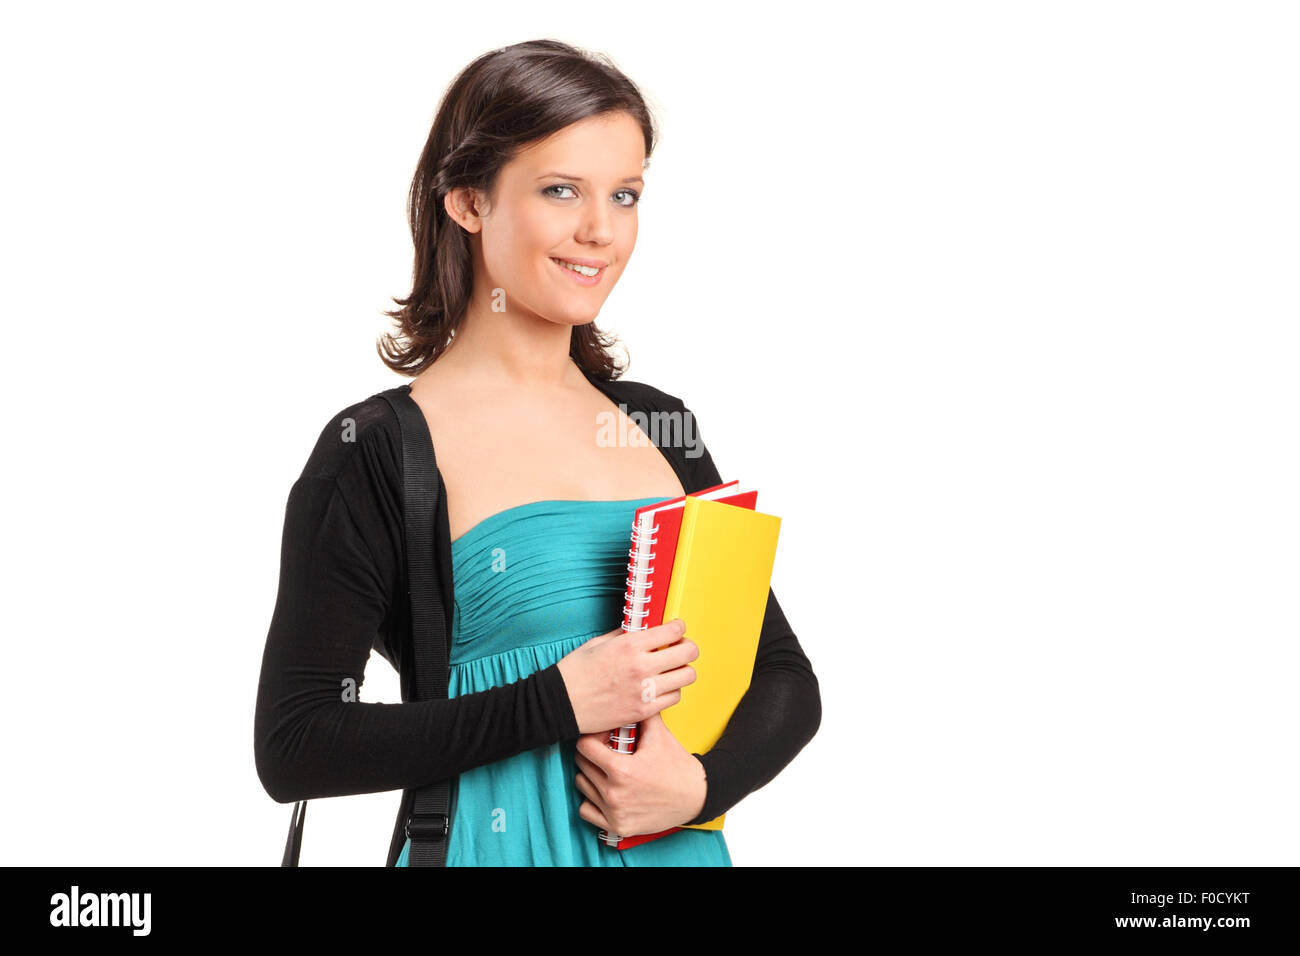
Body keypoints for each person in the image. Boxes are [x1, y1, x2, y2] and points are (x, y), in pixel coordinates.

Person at [254, 38, 820, 866]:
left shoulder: (664, 426)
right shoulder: (378, 451)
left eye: (624, 195)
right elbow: (299, 741)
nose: (600, 231)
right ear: (467, 200)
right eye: (561, 190)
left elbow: (785, 676)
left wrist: (700, 788)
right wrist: (555, 700)